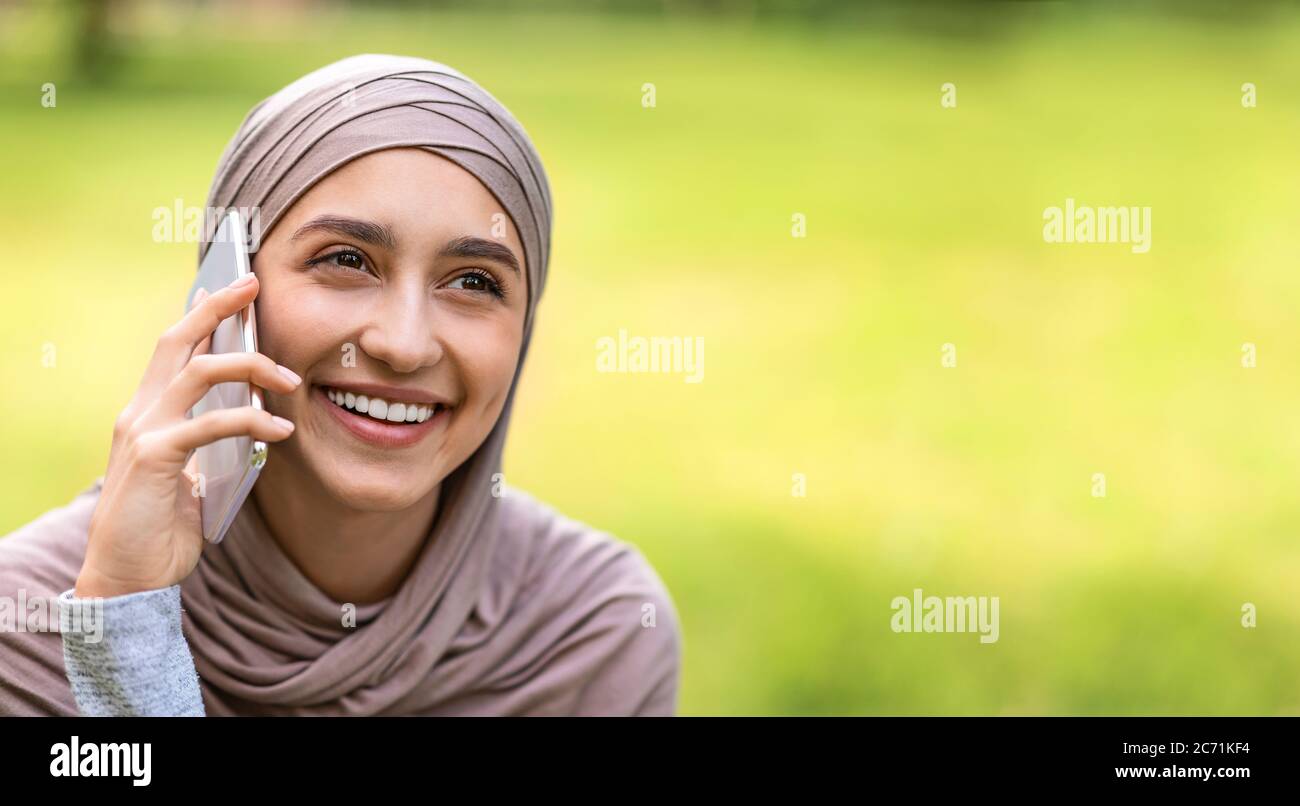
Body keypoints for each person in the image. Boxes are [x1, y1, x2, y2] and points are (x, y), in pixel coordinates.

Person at [0, 54, 682, 716]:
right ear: (225, 289)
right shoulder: (26, 628)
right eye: (346, 260)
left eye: (474, 281)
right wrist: (122, 621)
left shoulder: (596, 635)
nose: (405, 344)